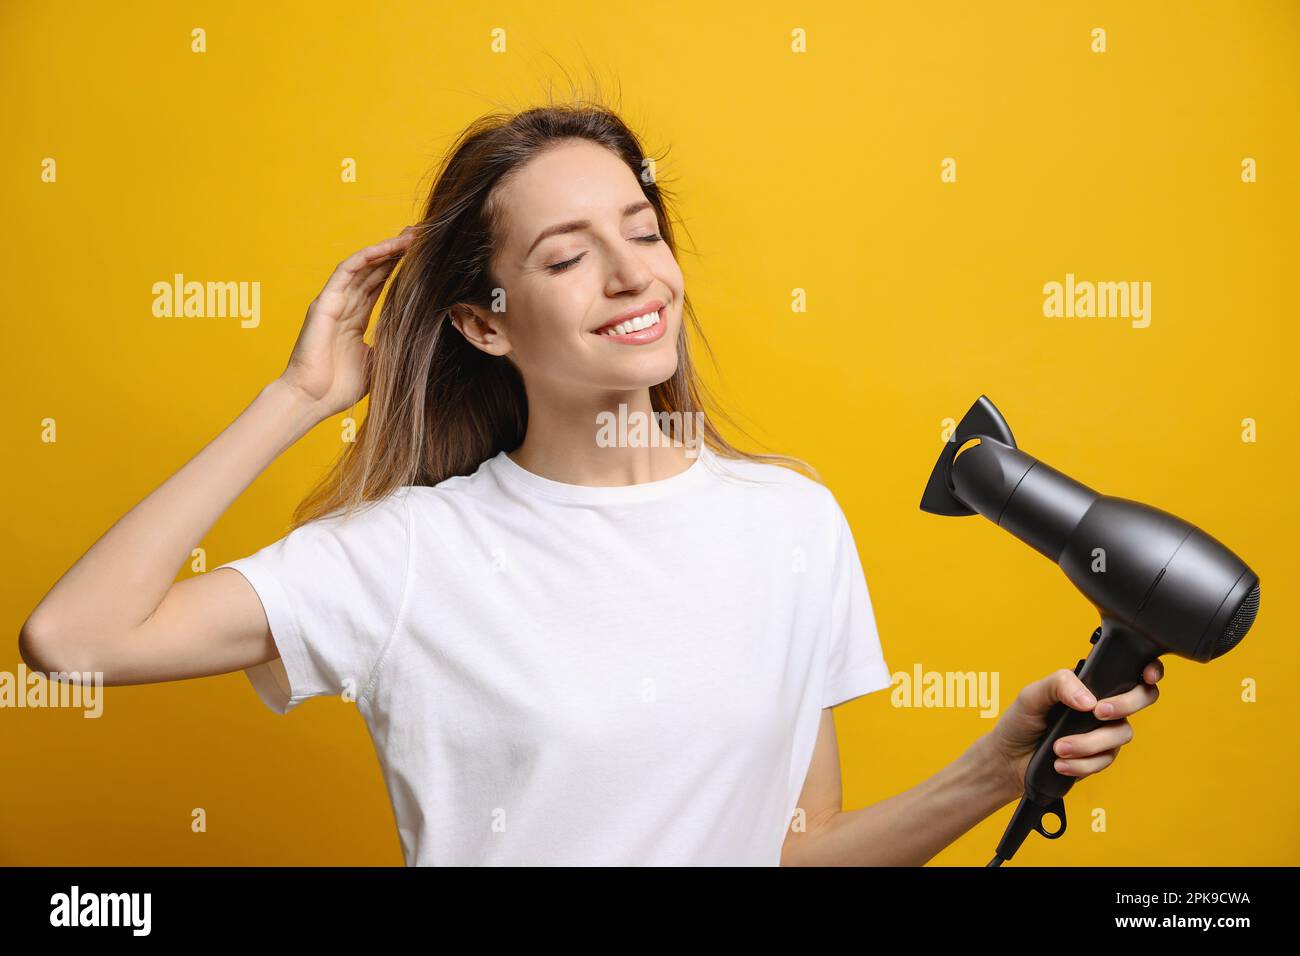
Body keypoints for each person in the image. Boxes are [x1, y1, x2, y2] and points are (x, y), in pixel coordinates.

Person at [18, 102, 1163, 866]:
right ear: (482, 321)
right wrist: (302, 396)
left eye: (643, 230)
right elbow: (72, 639)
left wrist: (986, 774)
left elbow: (791, 851)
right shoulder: (406, 555)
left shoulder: (790, 522)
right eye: (564, 256)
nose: (631, 274)